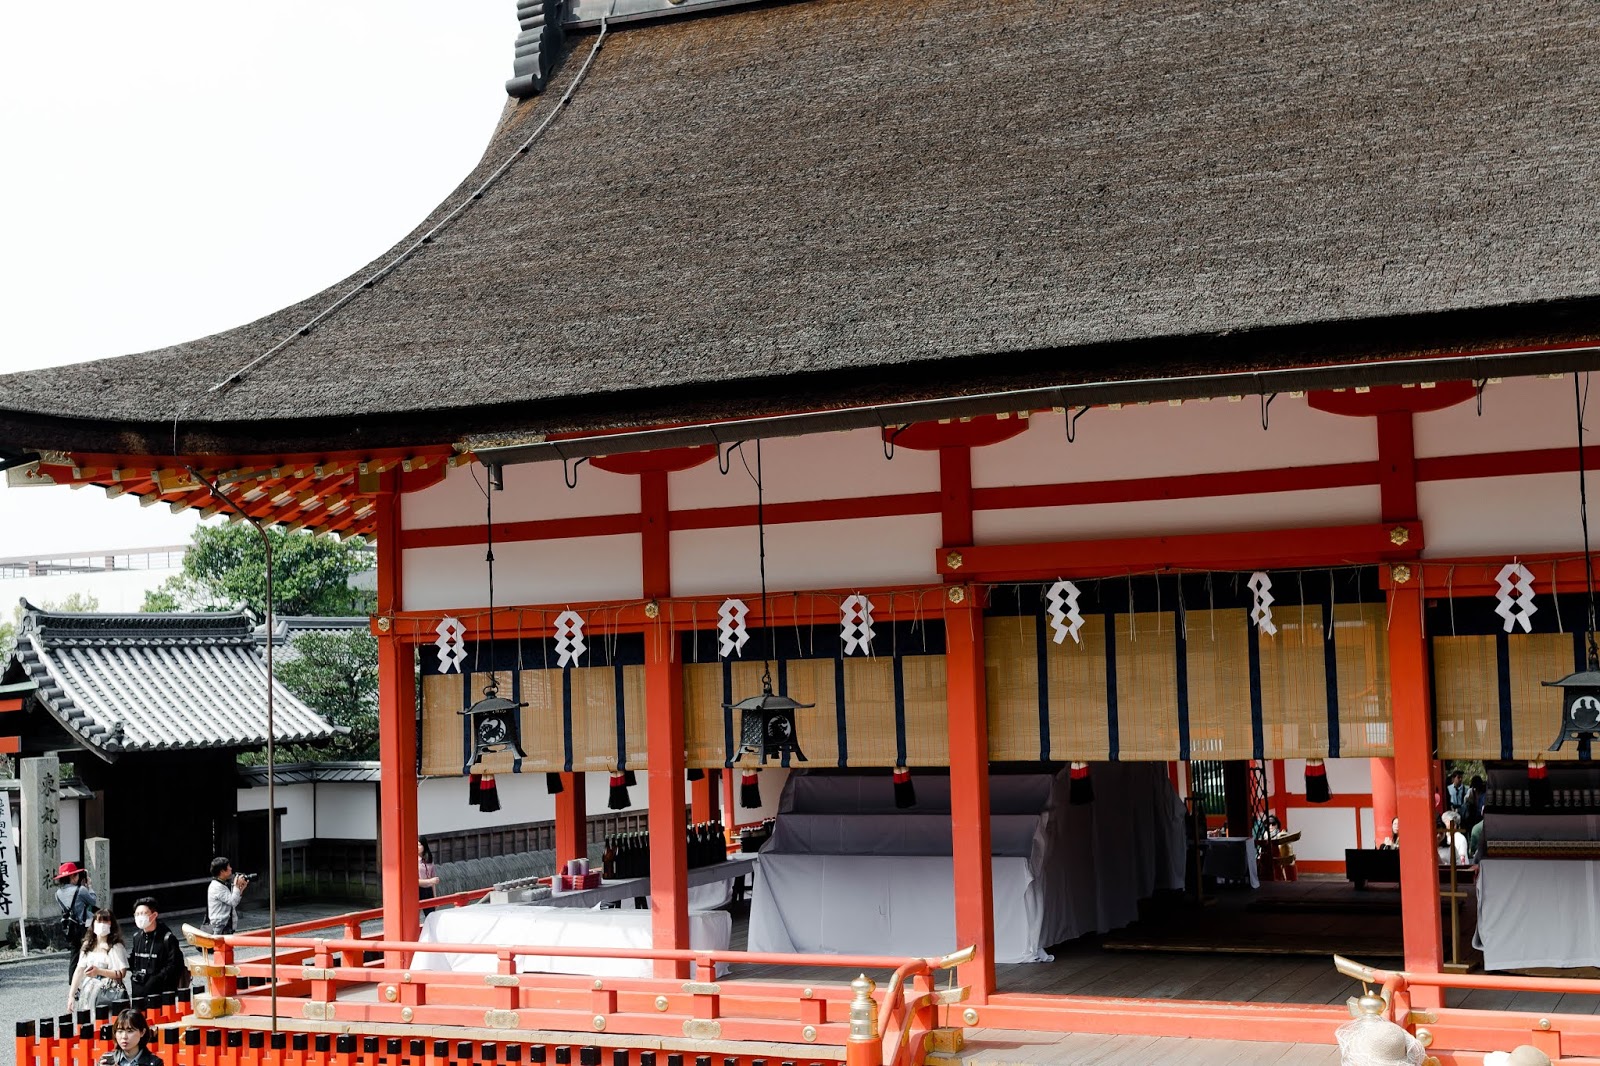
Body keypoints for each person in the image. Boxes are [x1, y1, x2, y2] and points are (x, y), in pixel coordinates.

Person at [67, 908, 129, 1013]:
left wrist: (99, 971)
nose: (102, 924)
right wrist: (71, 996)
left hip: (109, 992)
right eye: (99, 920)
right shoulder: (88, 945)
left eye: (106, 921)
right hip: (89, 992)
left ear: (111, 924)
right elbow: (79, 970)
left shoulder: (115, 946)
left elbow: (121, 973)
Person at [128, 897, 186, 999]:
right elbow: (133, 961)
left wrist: (156, 979)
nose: (140, 917)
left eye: (143, 913)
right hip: (139, 992)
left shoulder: (167, 938)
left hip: (161, 992)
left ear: (154, 915)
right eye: (137, 914)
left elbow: (174, 965)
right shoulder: (136, 937)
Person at [55, 861, 97, 979]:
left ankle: (73, 983)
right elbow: (93, 901)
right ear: (72, 876)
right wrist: (90, 887)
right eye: (76, 874)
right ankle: (91, 980)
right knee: (90, 952)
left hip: (70, 927)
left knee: (74, 955)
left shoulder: (58, 893)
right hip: (84, 926)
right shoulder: (81, 890)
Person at [206, 856, 249, 936]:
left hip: (224, 926)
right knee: (222, 948)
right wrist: (236, 886)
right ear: (222, 871)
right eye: (229, 867)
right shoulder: (217, 887)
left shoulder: (221, 884)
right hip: (221, 928)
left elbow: (234, 901)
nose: (231, 868)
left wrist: (241, 888)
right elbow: (233, 902)